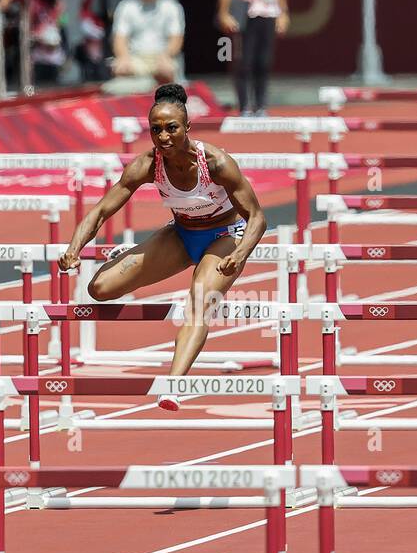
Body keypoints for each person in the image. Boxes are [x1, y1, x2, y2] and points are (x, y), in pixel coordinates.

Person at [56, 83, 266, 408]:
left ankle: (173, 385)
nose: (164, 137)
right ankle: (124, 258)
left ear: (187, 127)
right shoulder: (147, 164)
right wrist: (74, 248)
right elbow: (100, 211)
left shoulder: (216, 163)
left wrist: (240, 254)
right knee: (100, 288)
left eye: (171, 128)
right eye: (156, 130)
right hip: (181, 234)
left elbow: (256, 218)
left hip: (225, 236)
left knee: (198, 301)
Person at [112, 0, 184, 86]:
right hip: (136, 57)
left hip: (161, 56)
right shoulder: (126, 7)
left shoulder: (172, 7)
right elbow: (120, 38)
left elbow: (176, 39)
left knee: (167, 71)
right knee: (120, 68)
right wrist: (123, 57)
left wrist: (166, 56)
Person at [30, 0, 69, 85]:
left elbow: (63, 27)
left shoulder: (59, 4)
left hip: (54, 58)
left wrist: (66, 53)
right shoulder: (32, 1)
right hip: (36, 58)